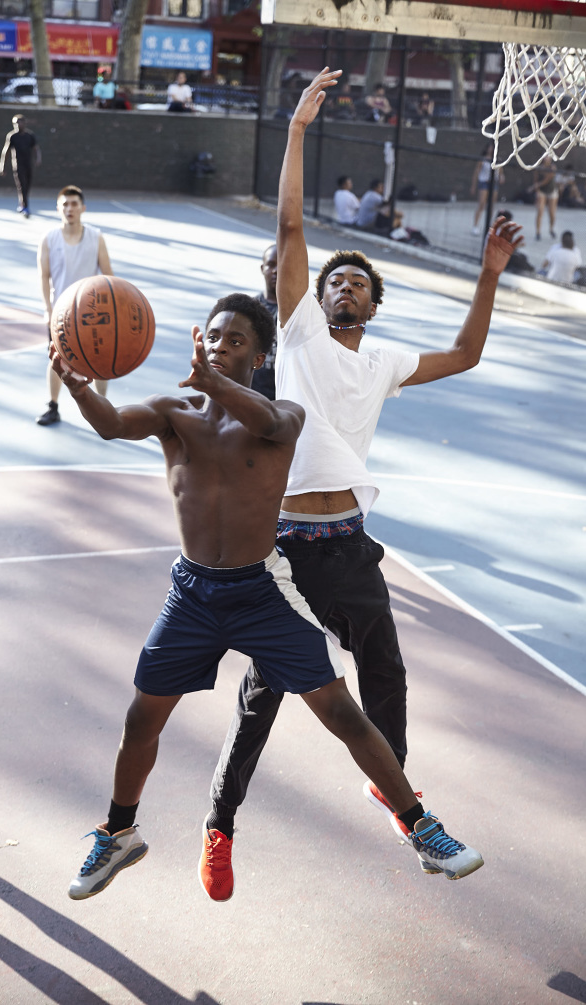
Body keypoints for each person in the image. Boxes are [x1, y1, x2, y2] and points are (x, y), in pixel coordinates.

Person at [202, 67, 522, 898]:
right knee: (262, 698)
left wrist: (488, 272)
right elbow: (292, 219)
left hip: (345, 544)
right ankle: (219, 824)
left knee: (387, 674)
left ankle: (398, 795)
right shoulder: (301, 332)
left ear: (374, 307)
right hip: (283, 550)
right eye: (335, 278)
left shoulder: (382, 360)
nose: (344, 285)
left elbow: (468, 355)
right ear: (316, 296)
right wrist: (301, 130)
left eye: (359, 283)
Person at [58, 293, 483, 903]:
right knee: (140, 718)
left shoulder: (285, 412)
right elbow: (111, 424)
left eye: (236, 340)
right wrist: (78, 386)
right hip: (194, 594)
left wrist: (217, 383)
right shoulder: (173, 409)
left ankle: (422, 827)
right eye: (213, 335)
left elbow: (270, 425)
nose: (220, 346)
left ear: (260, 356)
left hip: (262, 591)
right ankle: (119, 832)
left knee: (340, 710)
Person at [36, 185, 113, 427]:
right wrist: (48, 309)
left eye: (74, 204)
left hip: (92, 314)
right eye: (65, 204)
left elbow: (109, 277)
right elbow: (43, 276)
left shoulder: (96, 237)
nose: (69, 208)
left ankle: (103, 407)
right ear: (58, 208)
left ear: (83, 208)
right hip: (61, 314)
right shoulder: (49, 239)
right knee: (57, 362)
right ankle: (53, 406)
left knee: (100, 361)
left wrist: (111, 308)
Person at [0, 114, 41, 218]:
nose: (17, 125)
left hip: (28, 164)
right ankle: (25, 207)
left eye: (19, 122)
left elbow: (36, 149)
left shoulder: (30, 136)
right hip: (17, 165)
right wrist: (2, 166)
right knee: (22, 185)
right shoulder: (12, 136)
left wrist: (38, 158)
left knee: (27, 186)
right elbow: (6, 151)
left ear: (24, 123)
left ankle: (22, 203)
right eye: (15, 123)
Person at [252, 244, 278, 401]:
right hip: (253, 397)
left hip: (285, 400)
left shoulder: (305, 309)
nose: (276, 270)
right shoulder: (248, 309)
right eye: (271, 264)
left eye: (282, 265)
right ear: (263, 268)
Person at [471, 142, 504, 236]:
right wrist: (474, 185)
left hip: (494, 184)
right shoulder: (483, 160)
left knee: (491, 205)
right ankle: (475, 225)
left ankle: (489, 226)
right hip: (484, 182)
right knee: (481, 204)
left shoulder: (498, 160)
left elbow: (501, 172)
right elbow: (476, 172)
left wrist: (501, 177)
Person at [533, 155, 559, 240]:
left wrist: (537, 185)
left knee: (551, 212)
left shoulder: (553, 167)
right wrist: (536, 189)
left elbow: (547, 179)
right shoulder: (539, 168)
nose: (547, 158)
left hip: (552, 190)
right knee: (540, 210)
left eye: (548, 156)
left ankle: (551, 229)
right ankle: (538, 232)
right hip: (542, 191)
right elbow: (536, 180)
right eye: (546, 156)